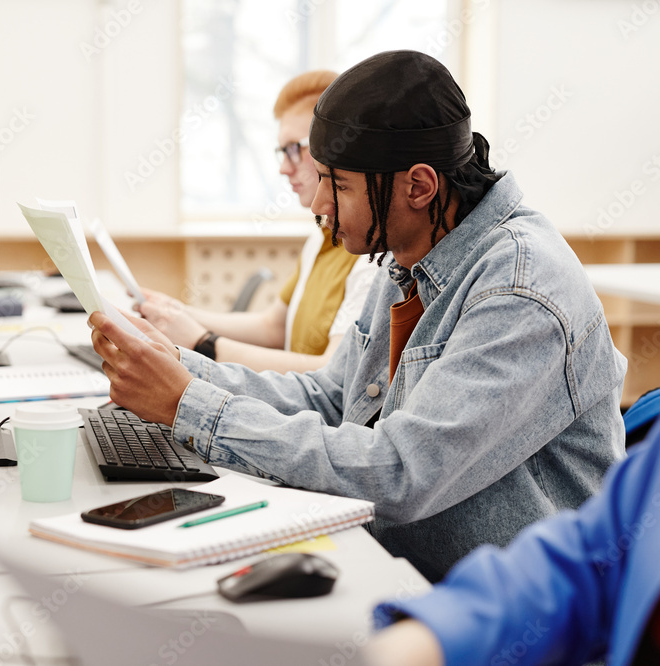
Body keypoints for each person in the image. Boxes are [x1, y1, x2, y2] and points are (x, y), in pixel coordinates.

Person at [89, 50, 626, 581]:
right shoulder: (407, 254)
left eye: (338, 184)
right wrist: (178, 367)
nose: (319, 204)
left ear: (419, 186)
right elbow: (331, 399)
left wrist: (190, 406)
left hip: (514, 617)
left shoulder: (520, 289)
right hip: (401, 570)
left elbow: (400, 473)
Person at [364, 0, 660, 663]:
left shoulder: (520, 281)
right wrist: (436, 636)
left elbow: (401, 472)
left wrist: (201, 397)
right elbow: (602, 548)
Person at [137, 71, 379, 373]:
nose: (282, 169)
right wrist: (175, 314)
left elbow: (333, 378)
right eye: (283, 151)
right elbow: (274, 326)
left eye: (294, 148)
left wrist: (203, 342)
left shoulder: (376, 255)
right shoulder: (322, 234)